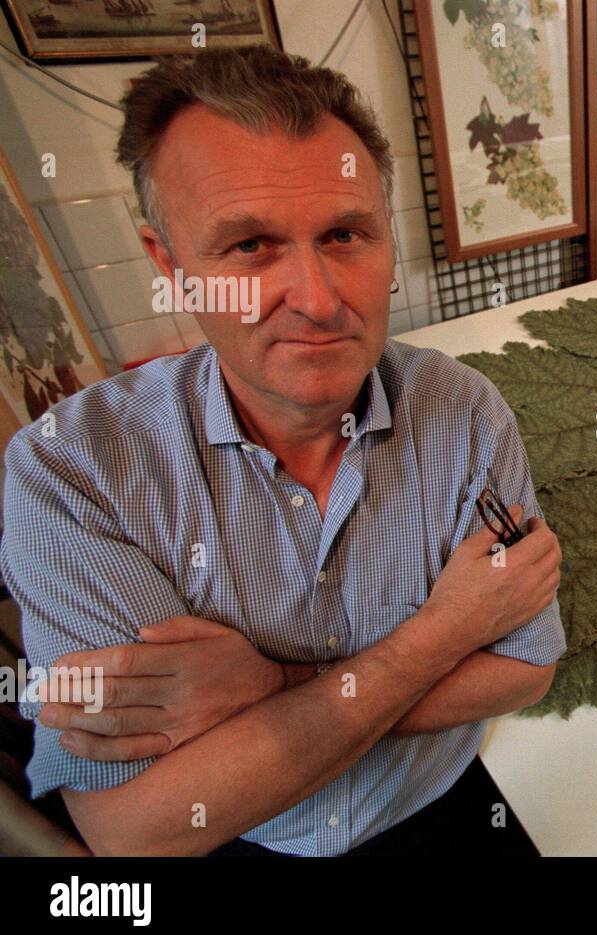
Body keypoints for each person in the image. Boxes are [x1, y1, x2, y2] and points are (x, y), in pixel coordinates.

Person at [0, 45, 564, 856]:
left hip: (435, 796)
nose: (318, 299)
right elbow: (137, 828)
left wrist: (272, 686)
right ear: (170, 264)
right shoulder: (71, 473)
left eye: (344, 234)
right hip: (247, 839)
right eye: (250, 246)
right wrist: (446, 632)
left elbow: (526, 667)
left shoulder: (466, 413)